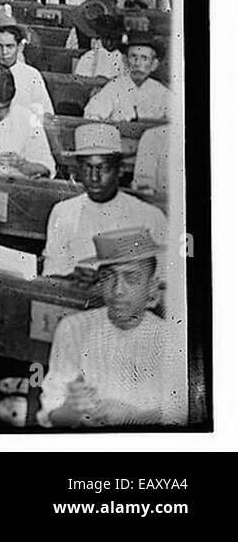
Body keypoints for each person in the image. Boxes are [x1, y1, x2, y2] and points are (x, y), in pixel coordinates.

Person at [38, 228, 186, 427]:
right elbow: (51, 414)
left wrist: (134, 418)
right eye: (109, 277)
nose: (118, 290)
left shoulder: (171, 338)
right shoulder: (74, 328)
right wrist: (72, 412)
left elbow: (184, 413)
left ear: (151, 288)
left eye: (131, 278)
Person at [42, 124, 168, 279]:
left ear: (120, 169)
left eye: (103, 168)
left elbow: (164, 277)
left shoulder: (148, 217)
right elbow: (51, 272)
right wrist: (72, 276)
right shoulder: (63, 212)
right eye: (87, 168)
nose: (94, 177)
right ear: (78, 170)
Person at [83, 34, 170, 122]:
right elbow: (91, 115)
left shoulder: (162, 92)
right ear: (125, 60)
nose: (137, 63)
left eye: (144, 58)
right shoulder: (114, 87)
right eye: (133, 57)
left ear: (154, 64)